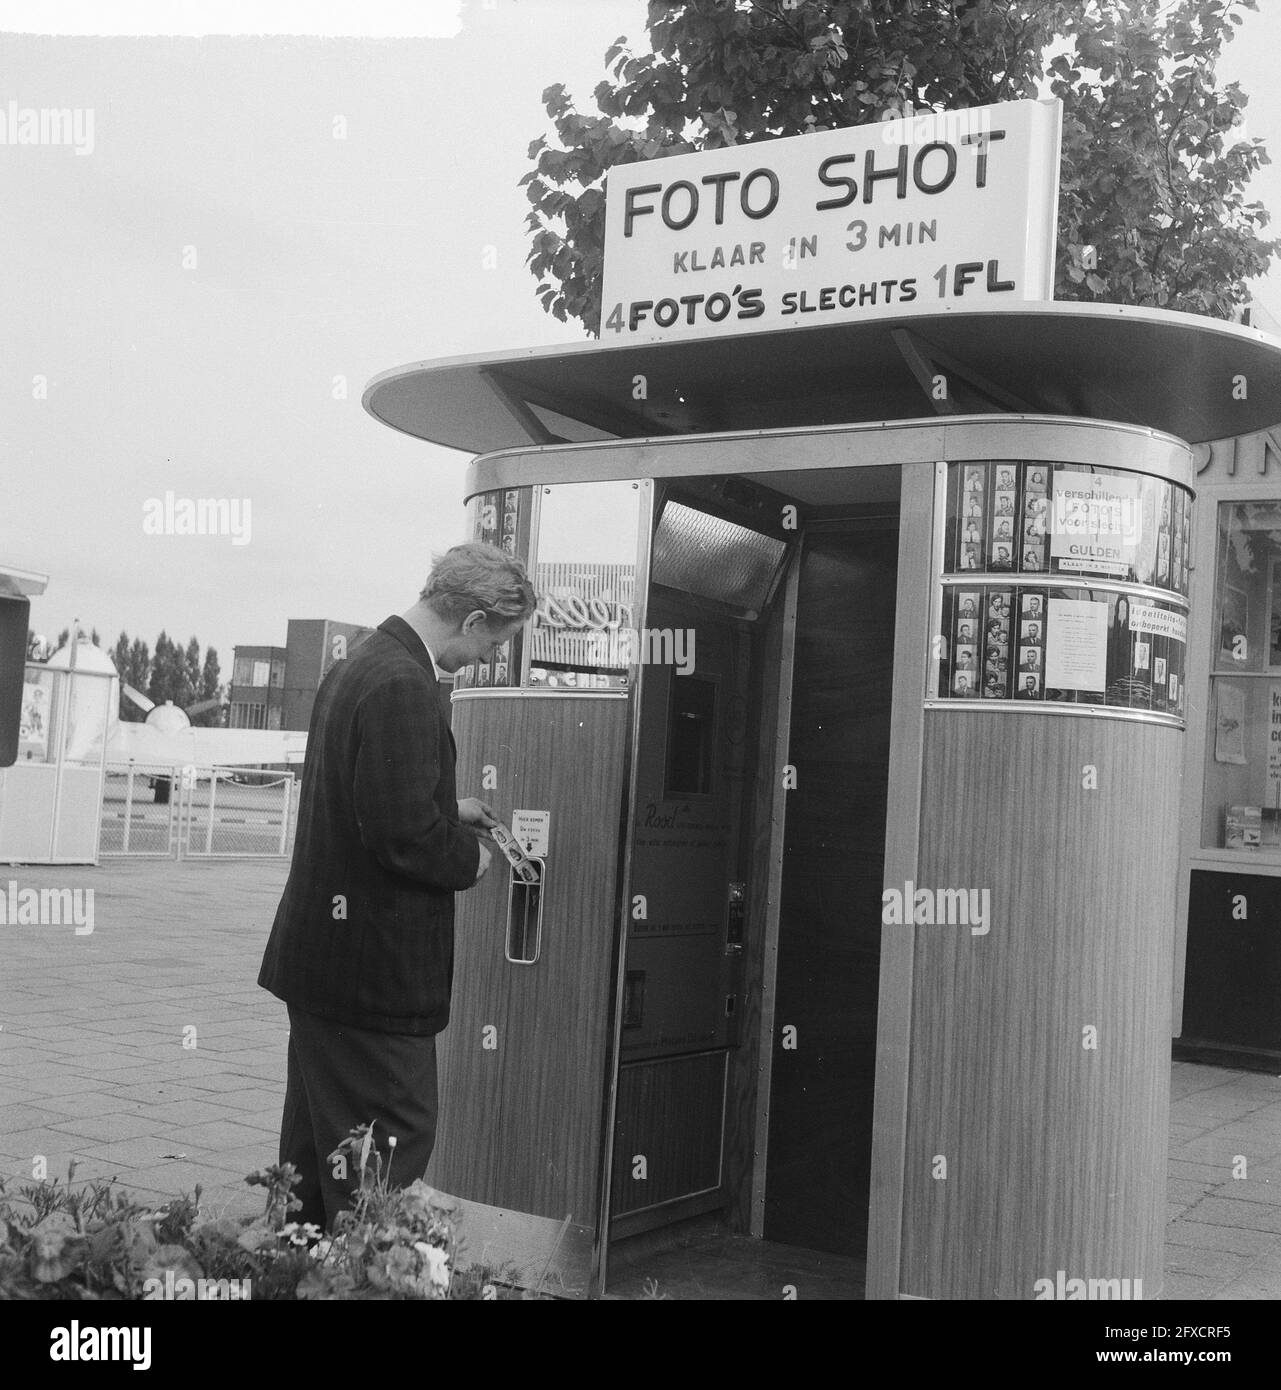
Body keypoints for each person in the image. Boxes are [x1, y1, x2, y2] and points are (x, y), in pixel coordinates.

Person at [258, 542, 538, 1232]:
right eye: (494, 642)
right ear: (472, 619)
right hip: (372, 979)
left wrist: (447, 810)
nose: (486, 658)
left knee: (315, 1164)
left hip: (326, 965)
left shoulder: (362, 661)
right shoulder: (405, 685)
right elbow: (401, 835)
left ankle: (296, 1273)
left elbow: (368, 803)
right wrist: (466, 857)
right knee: (387, 1152)